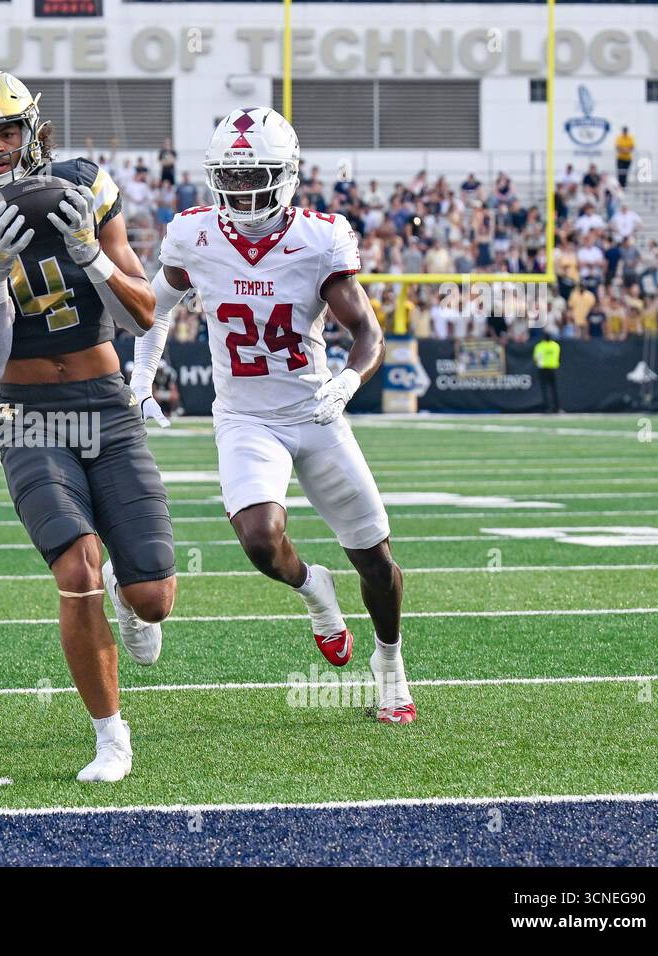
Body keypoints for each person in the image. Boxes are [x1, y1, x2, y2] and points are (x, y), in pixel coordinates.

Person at [0, 68, 176, 782]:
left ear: (32, 131)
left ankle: (135, 601)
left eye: (5, 132)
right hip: (27, 413)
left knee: (152, 594)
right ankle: (111, 737)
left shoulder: (85, 184)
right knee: (76, 565)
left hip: (106, 402)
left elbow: (141, 314)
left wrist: (91, 255)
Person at [132, 106, 416, 725]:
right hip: (244, 417)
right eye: (228, 178)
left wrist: (347, 379)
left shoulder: (319, 238)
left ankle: (389, 666)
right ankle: (315, 589)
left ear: (286, 174)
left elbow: (367, 332)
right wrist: (141, 377)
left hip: (315, 411)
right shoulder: (192, 235)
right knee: (261, 540)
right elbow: (153, 310)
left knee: (375, 558)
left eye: (252, 175)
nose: (239, 190)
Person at [532, 331, 562, 413]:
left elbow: (536, 358)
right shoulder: (556, 345)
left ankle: (547, 408)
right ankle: (557, 407)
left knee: (545, 390)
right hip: (553, 368)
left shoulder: (540, 346)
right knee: (554, 390)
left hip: (543, 369)